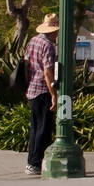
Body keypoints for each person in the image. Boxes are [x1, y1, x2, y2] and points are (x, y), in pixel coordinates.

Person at [24, 13, 59, 175]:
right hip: (43, 90)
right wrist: (53, 94)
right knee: (44, 129)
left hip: (32, 89)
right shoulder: (48, 46)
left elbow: (27, 64)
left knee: (35, 127)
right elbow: (47, 72)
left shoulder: (33, 41)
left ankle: (32, 161)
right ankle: (35, 162)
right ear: (52, 31)